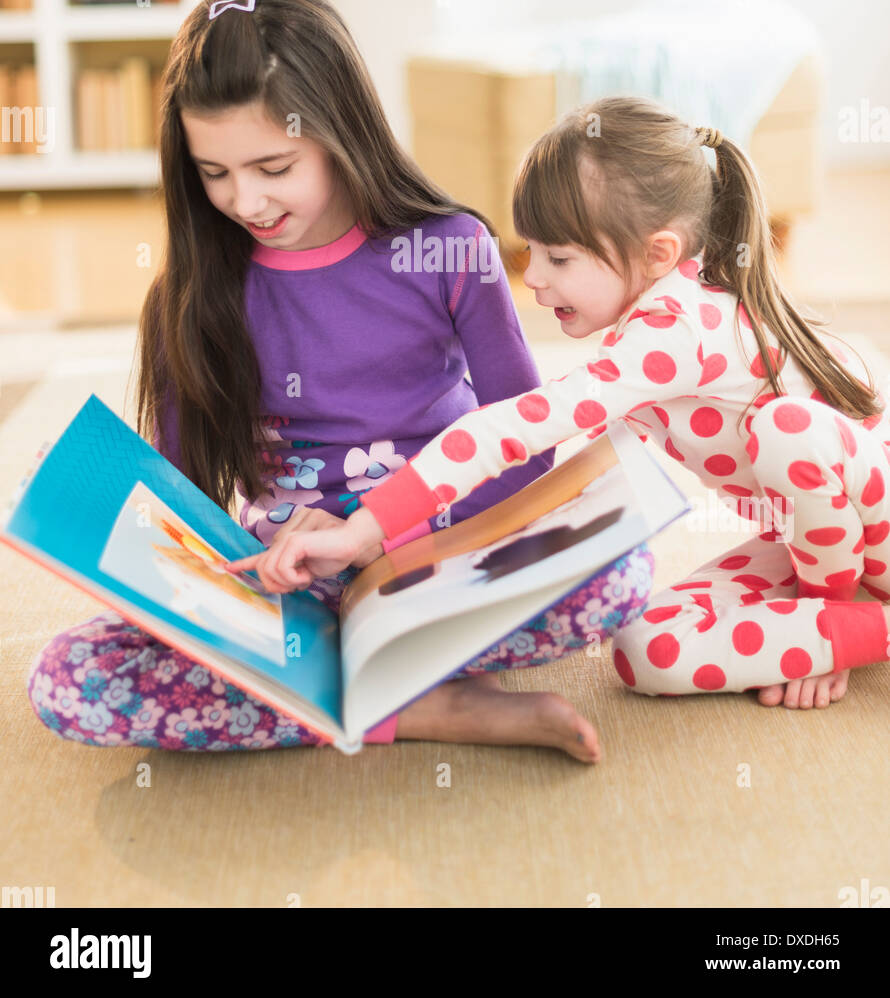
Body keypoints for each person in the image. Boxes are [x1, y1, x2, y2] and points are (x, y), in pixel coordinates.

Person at [26, 0, 654, 763]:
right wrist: (134, 559)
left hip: (439, 551)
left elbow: (524, 443)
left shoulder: (450, 249)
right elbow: (179, 497)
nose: (244, 199)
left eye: (273, 165)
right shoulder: (194, 289)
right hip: (293, 584)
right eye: (214, 173)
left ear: (338, 129)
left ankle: (340, 686)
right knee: (67, 679)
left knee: (621, 576)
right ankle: (416, 705)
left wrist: (383, 533)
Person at [264, 95, 890, 715]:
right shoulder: (638, 337)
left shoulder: (679, 330)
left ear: (658, 254)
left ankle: (836, 622)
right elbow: (573, 471)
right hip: (818, 543)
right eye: (531, 250)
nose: (532, 276)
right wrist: (419, 545)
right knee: (644, 648)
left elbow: (509, 430)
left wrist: (363, 529)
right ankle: (858, 627)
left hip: (864, 531)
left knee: (788, 428)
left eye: (558, 257)